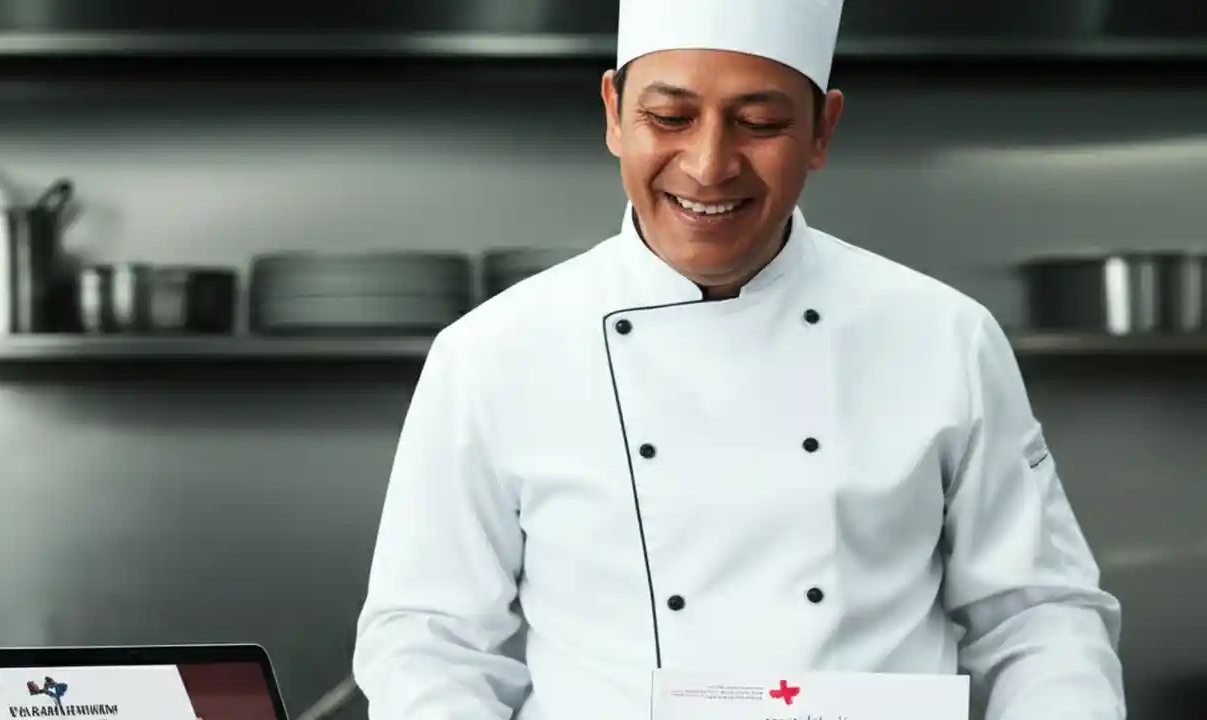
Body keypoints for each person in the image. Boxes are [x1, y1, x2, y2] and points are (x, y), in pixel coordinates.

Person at [352, 0, 1126, 718]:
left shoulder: (942, 335)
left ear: (823, 130)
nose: (709, 164)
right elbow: (428, 640)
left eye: (758, 122)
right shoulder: (495, 352)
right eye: (668, 116)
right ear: (614, 115)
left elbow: (1040, 616)